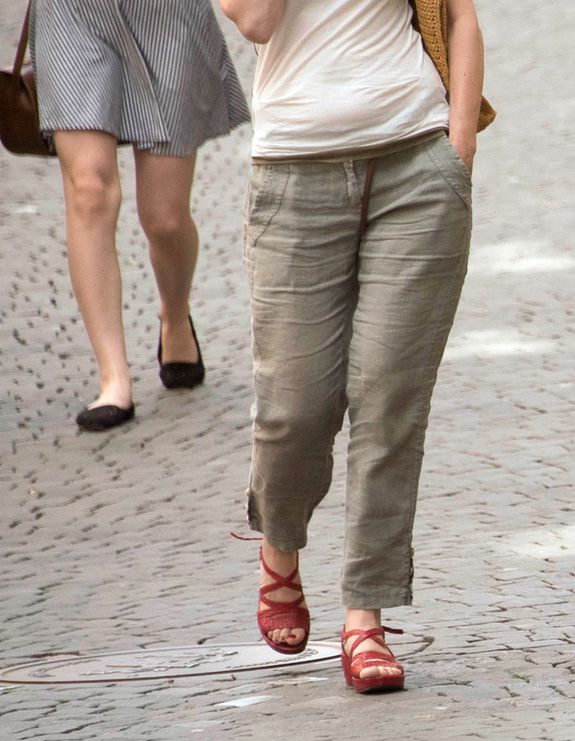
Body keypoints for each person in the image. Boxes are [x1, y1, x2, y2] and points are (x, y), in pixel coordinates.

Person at [220, 0, 489, 693]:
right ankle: (280, 544)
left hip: (416, 165)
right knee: (294, 409)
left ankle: (363, 616)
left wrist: (457, 149)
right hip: (293, 178)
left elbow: (459, 17)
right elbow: (253, 20)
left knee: (387, 400)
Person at [29, 0, 250, 431]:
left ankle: (174, 313)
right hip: (71, 13)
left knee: (165, 217)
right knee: (89, 190)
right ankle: (114, 377)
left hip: (164, 14)